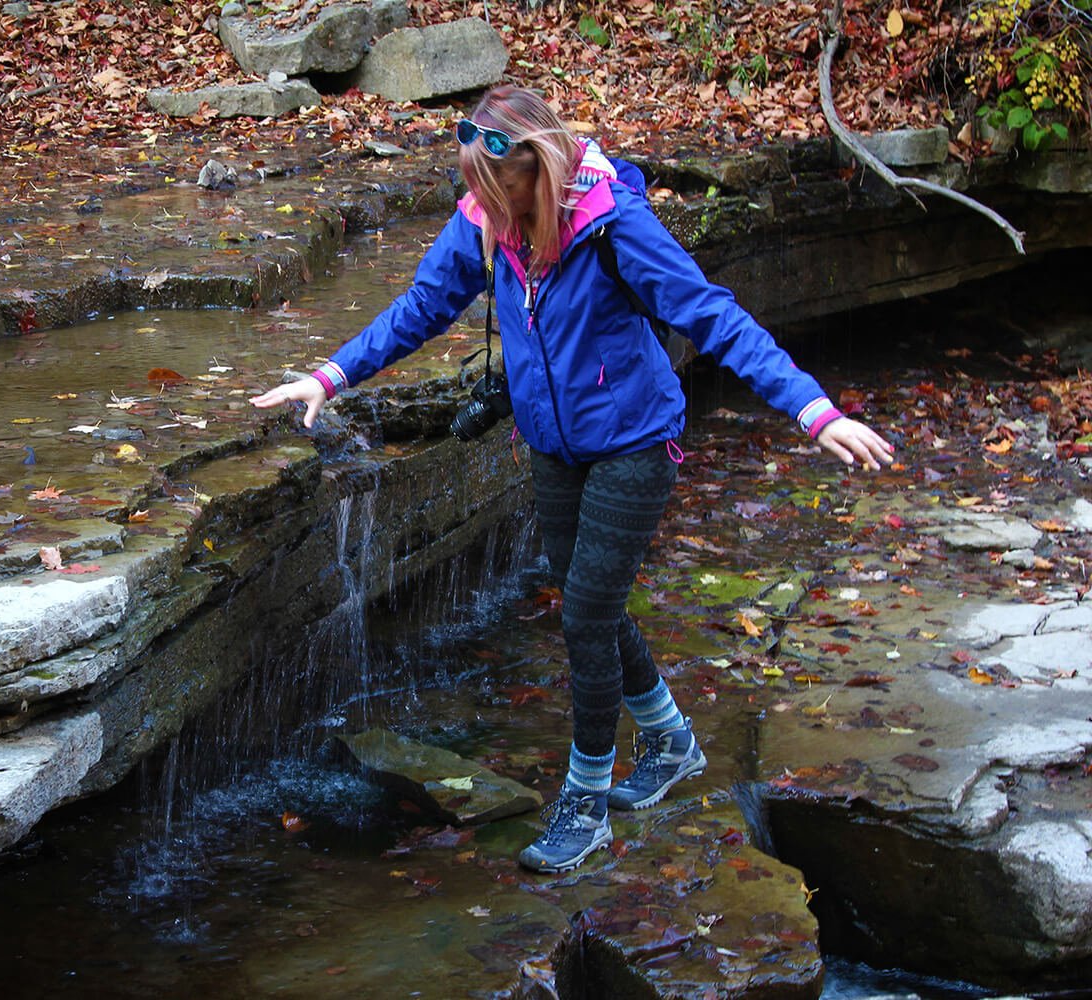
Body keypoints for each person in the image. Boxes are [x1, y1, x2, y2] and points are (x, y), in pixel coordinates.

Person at [250, 85, 893, 873]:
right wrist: (330, 375)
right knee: (588, 597)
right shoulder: (486, 218)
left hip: (634, 439)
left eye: (498, 187)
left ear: (539, 165)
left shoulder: (614, 223)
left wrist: (816, 411)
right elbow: (421, 307)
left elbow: (712, 315)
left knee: (586, 614)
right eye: (474, 189)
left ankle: (585, 804)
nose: (481, 204)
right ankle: (671, 741)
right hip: (554, 444)